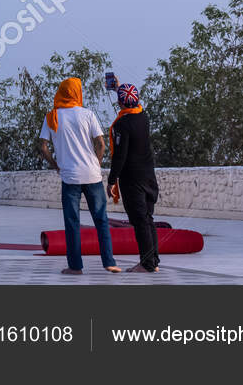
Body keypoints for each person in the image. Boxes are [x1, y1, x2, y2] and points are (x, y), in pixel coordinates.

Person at [37, 78, 121, 275]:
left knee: (72, 222)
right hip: (92, 174)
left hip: (69, 177)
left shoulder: (52, 116)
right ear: (77, 92)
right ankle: (109, 262)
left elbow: (43, 146)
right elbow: (101, 144)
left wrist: (55, 165)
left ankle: (75, 266)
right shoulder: (88, 114)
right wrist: (96, 164)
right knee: (101, 219)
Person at [107, 82, 160, 273]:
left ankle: (146, 264)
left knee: (140, 222)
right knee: (148, 218)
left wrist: (112, 180)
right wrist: (119, 88)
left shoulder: (123, 124)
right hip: (149, 177)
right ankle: (153, 262)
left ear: (120, 103)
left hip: (133, 179)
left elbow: (120, 156)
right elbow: (131, 103)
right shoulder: (143, 116)